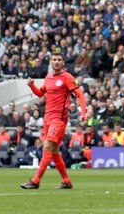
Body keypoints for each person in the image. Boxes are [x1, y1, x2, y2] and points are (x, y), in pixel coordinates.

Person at [20, 50, 87, 190]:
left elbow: (80, 95)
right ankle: (67, 181)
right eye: (54, 59)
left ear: (62, 62)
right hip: (48, 119)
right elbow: (40, 93)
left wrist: (83, 114)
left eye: (59, 60)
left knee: (47, 146)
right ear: (51, 62)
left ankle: (35, 181)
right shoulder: (49, 77)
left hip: (59, 120)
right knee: (54, 151)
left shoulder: (67, 77)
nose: (56, 62)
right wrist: (31, 85)